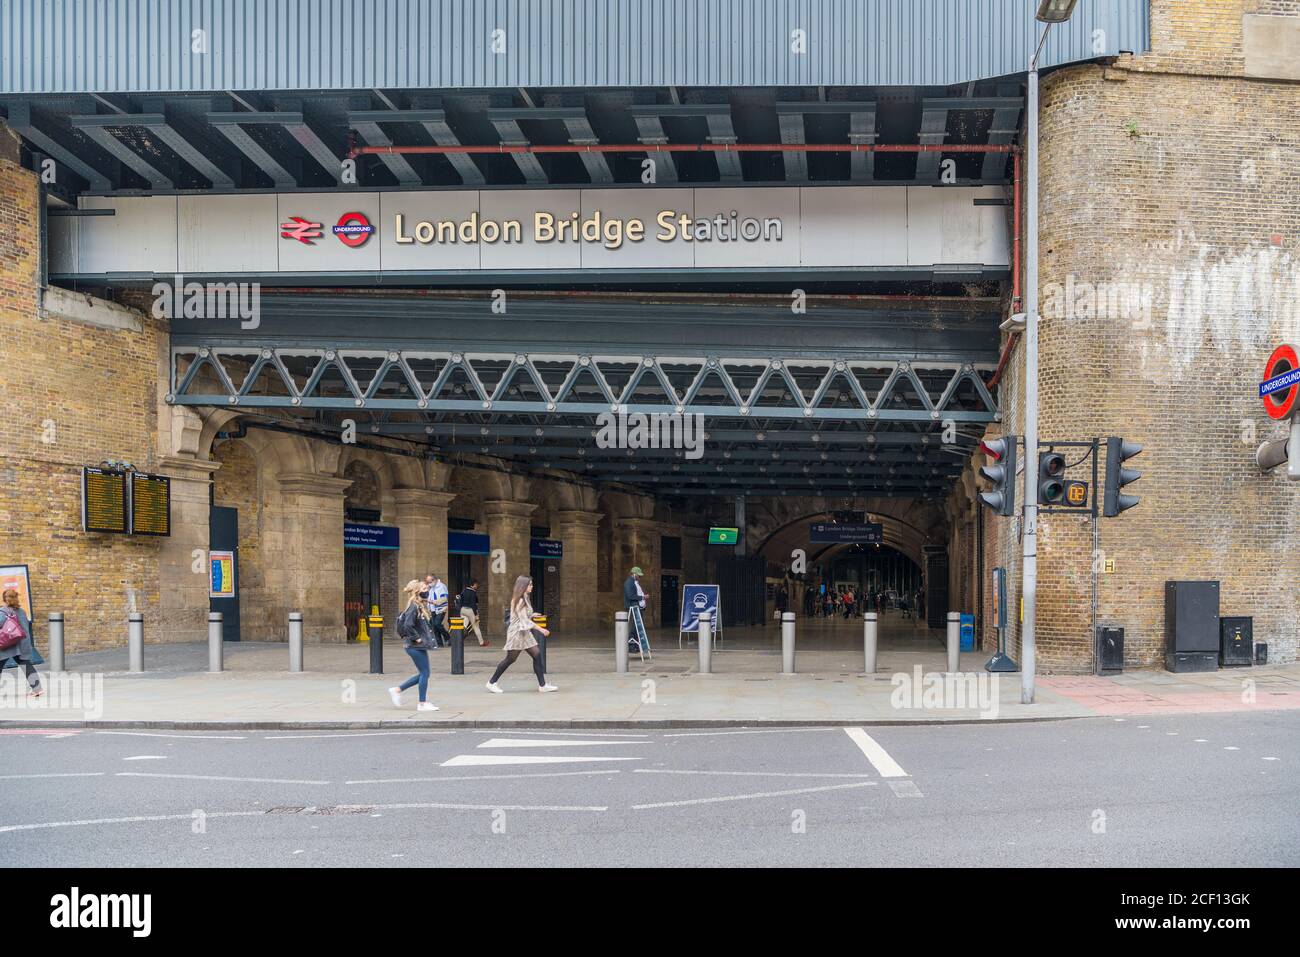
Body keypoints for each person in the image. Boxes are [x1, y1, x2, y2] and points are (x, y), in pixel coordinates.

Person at [486, 576, 557, 693]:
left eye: (531, 584)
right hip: (517, 633)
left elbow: (523, 615)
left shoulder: (524, 598)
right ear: (523, 586)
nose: (532, 586)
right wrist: (541, 629)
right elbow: (524, 621)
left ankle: (542, 685)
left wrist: (533, 614)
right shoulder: (520, 600)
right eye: (530, 585)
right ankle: (492, 682)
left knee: (537, 655)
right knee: (510, 659)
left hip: (524, 632)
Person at [389, 580, 438, 711]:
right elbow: (407, 625)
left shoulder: (419, 605)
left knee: (424, 673)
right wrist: (417, 639)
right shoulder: (413, 606)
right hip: (414, 646)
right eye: (423, 587)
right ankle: (422, 703)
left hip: (417, 646)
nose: (426, 589)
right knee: (424, 673)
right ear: (417, 591)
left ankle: (397, 690)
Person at [0, 589, 43, 698]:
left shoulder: (3, 612)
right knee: (26, 665)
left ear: (5, 599)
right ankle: (37, 689)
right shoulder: (22, 611)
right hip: (21, 644)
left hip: (6, 646)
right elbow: (25, 629)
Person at [623, 566, 649, 654]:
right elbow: (630, 596)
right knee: (634, 628)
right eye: (639, 575)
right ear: (634, 574)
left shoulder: (634, 582)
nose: (640, 577)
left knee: (637, 628)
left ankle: (637, 646)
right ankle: (631, 645)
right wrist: (642, 597)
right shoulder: (628, 583)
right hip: (632, 607)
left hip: (637, 607)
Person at [457, 579, 488, 647]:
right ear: (473, 585)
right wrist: (476, 615)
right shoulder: (473, 592)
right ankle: (481, 642)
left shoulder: (464, 590)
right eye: (476, 585)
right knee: (476, 626)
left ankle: (457, 641)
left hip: (462, 610)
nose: (477, 586)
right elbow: (474, 605)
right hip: (470, 610)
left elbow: (460, 600)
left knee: (463, 626)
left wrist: (460, 609)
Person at [428, 574, 452, 649]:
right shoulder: (431, 588)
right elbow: (429, 597)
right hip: (433, 609)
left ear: (434, 580)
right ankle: (439, 643)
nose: (428, 583)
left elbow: (445, 598)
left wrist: (434, 602)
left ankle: (447, 637)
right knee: (434, 627)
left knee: (437, 624)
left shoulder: (442, 586)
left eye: (429, 581)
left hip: (441, 608)